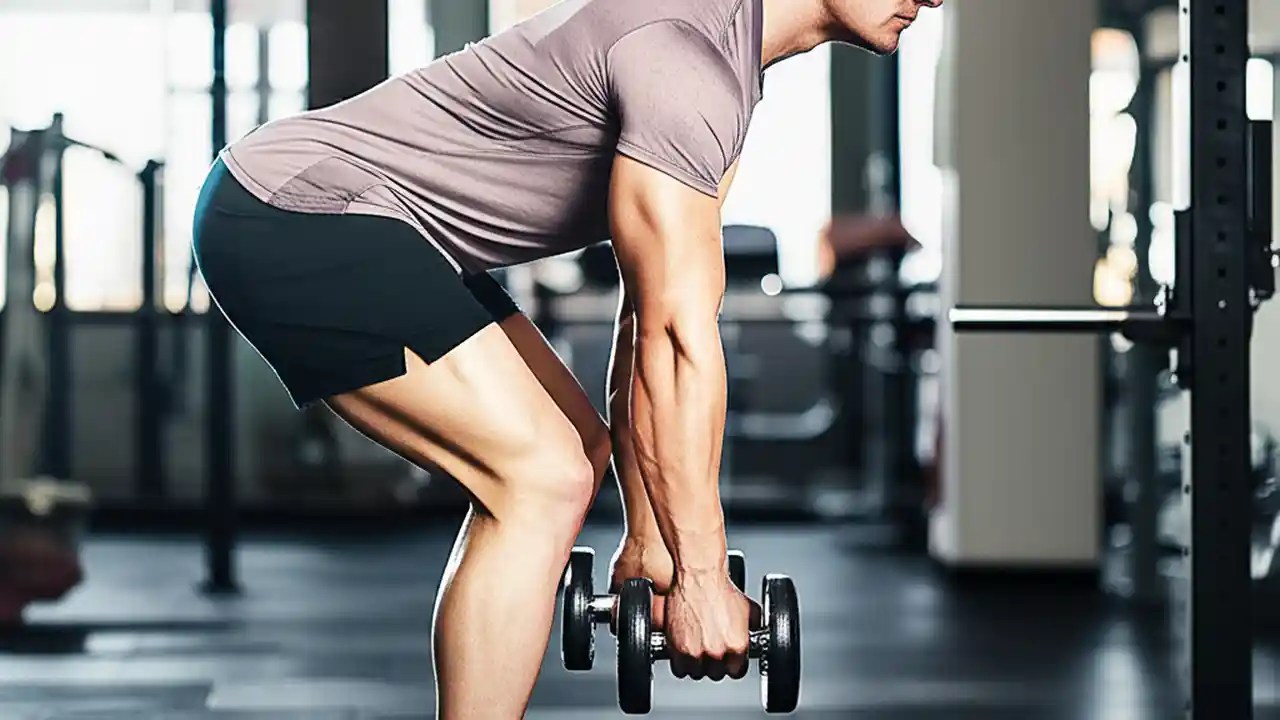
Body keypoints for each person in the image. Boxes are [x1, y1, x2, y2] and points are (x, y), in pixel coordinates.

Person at [191, 0, 941, 716]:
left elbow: (649, 316)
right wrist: (705, 578)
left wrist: (653, 542)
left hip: (369, 225)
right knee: (540, 479)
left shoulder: (721, 62)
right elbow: (678, 341)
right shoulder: (684, 60)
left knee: (576, 447)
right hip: (295, 214)